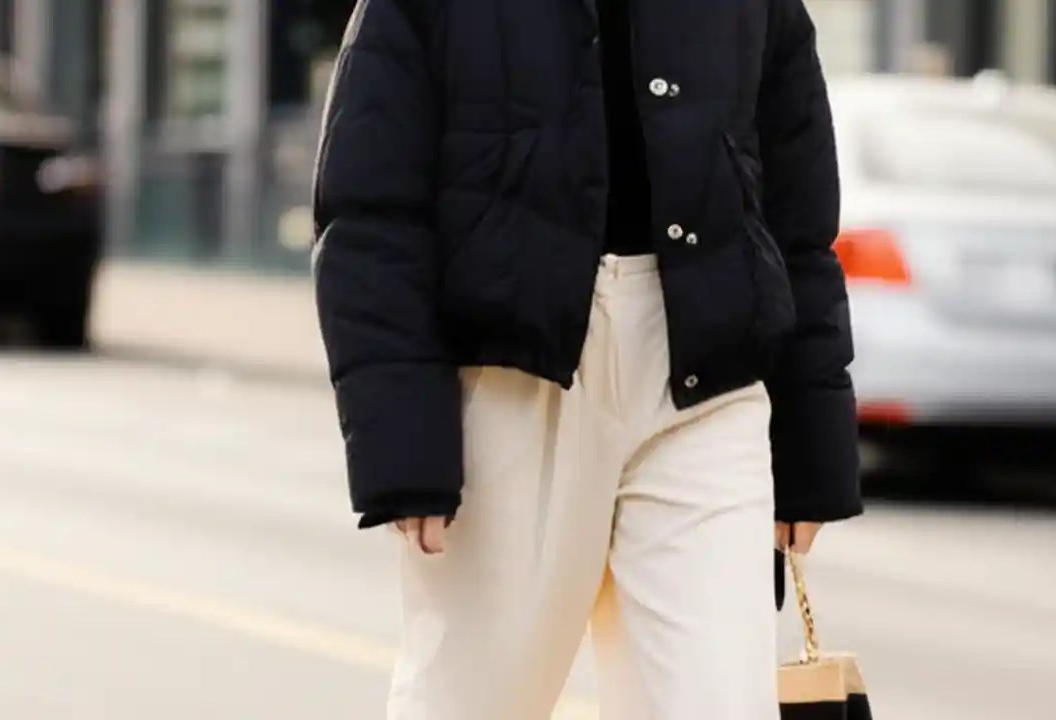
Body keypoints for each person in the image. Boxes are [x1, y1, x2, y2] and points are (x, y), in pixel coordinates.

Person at [312, 0, 861, 717]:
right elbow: (370, 206)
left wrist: (810, 443)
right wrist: (405, 445)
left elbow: (796, 206)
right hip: (510, 376)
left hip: (707, 378)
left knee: (721, 702)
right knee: (474, 703)